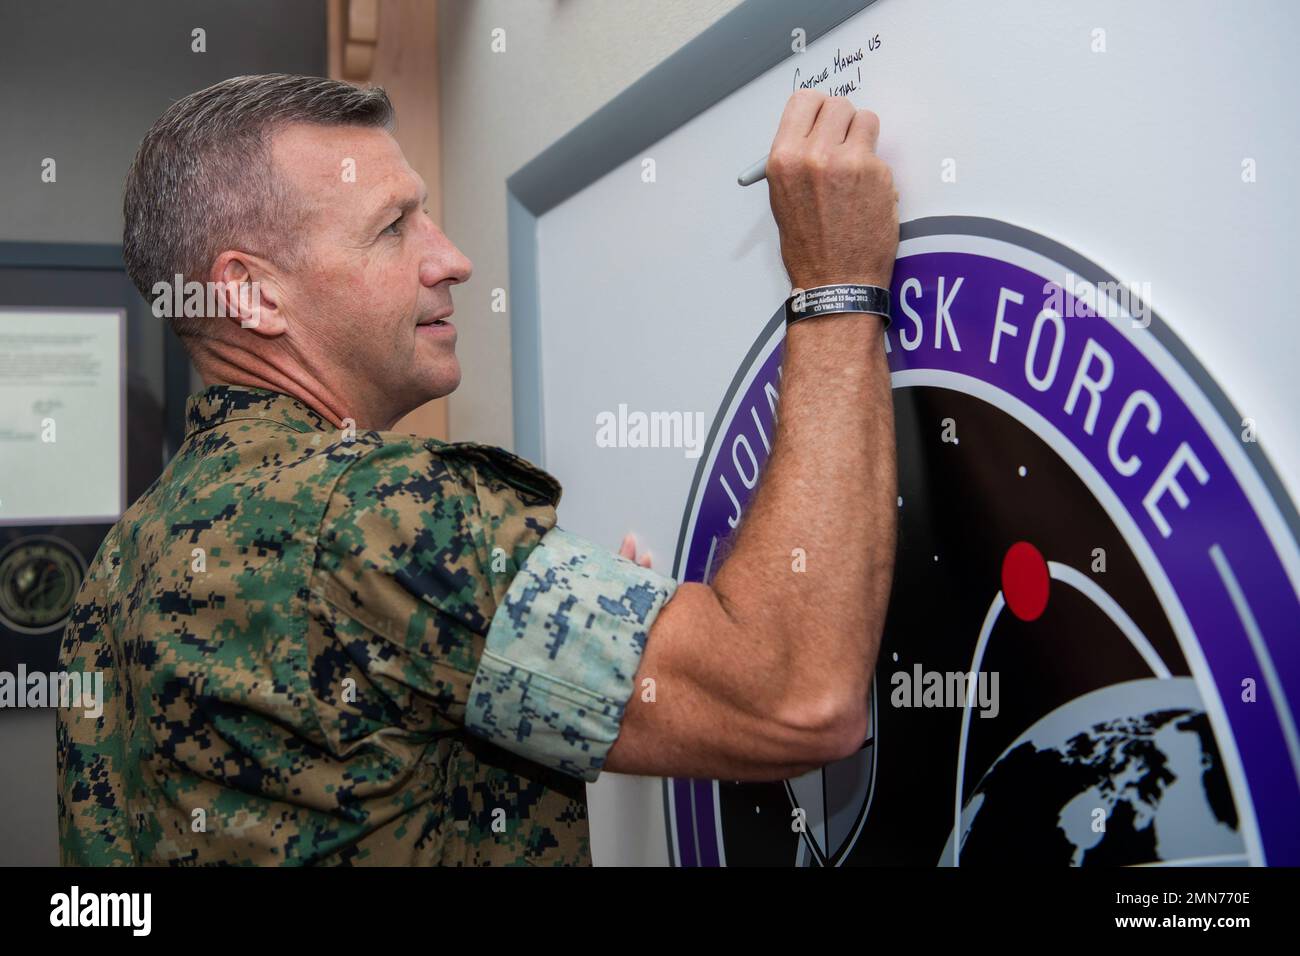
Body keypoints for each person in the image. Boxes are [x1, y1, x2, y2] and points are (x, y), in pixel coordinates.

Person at [55, 74, 898, 865]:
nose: (450, 259)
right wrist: (835, 286)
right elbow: (796, 698)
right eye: (394, 228)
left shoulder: (119, 569)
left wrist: (598, 660)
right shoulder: (376, 510)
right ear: (249, 295)